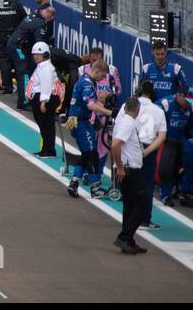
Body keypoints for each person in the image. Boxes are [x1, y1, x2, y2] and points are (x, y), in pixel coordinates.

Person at [65, 59, 113, 198]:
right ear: (97, 70)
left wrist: (105, 108)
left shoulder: (88, 80)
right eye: (102, 75)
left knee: (86, 154)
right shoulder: (87, 83)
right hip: (80, 123)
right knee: (92, 154)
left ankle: (74, 183)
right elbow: (90, 105)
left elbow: (94, 101)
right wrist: (109, 112)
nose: (103, 78)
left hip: (81, 122)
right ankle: (95, 188)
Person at [111, 97, 151, 254]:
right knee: (143, 205)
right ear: (137, 109)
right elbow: (115, 145)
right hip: (129, 170)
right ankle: (124, 236)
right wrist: (120, 167)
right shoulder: (127, 123)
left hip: (126, 169)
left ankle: (128, 240)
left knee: (129, 206)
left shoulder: (122, 121)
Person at [134, 80, 166, 231]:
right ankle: (145, 220)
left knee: (130, 184)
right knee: (147, 185)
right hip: (148, 148)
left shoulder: (129, 105)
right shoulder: (158, 110)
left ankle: (130, 218)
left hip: (131, 145)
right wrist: (147, 151)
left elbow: (119, 125)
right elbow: (161, 137)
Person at [27, 42, 59, 157]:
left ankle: (49, 150)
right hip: (41, 98)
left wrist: (43, 102)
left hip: (45, 99)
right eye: (34, 54)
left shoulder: (46, 68)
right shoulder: (42, 66)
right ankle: (46, 148)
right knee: (43, 124)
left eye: (38, 54)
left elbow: (46, 85)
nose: (35, 56)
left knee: (46, 124)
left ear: (45, 54)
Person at [139, 42, 191, 107]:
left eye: (162, 54)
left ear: (166, 52)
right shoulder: (146, 69)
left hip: (170, 110)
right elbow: (139, 92)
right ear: (152, 52)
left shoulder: (176, 69)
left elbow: (188, 90)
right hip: (152, 109)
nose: (160, 57)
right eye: (157, 54)